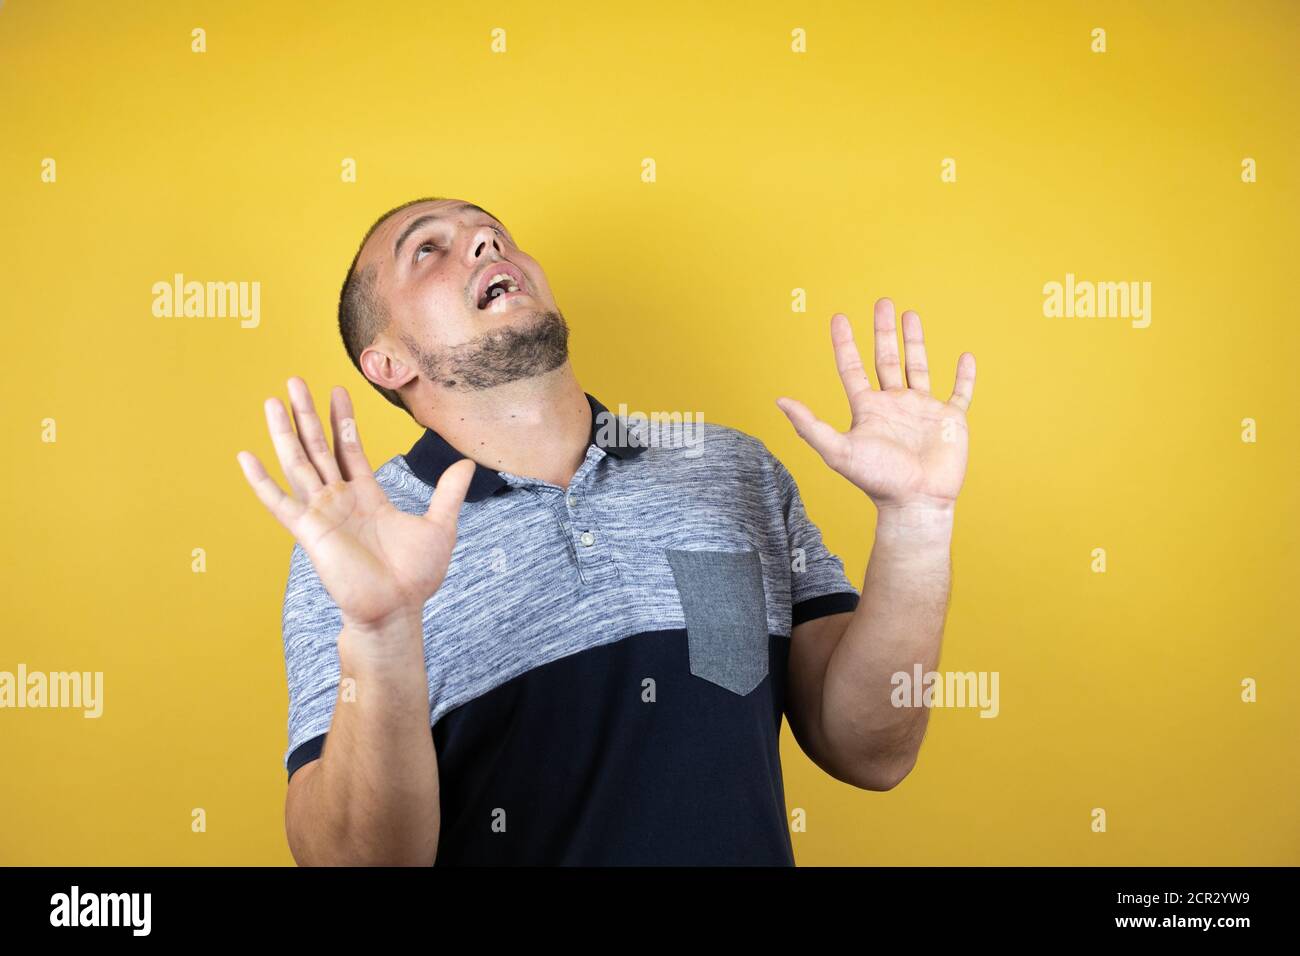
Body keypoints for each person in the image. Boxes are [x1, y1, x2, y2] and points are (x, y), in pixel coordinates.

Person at [235, 196, 978, 865]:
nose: (486, 245)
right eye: (428, 248)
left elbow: (869, 751)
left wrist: (918, 522)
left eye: (493, 234)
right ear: (387, 361)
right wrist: (385, 630)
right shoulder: (358, 553)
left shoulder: (727, 469)